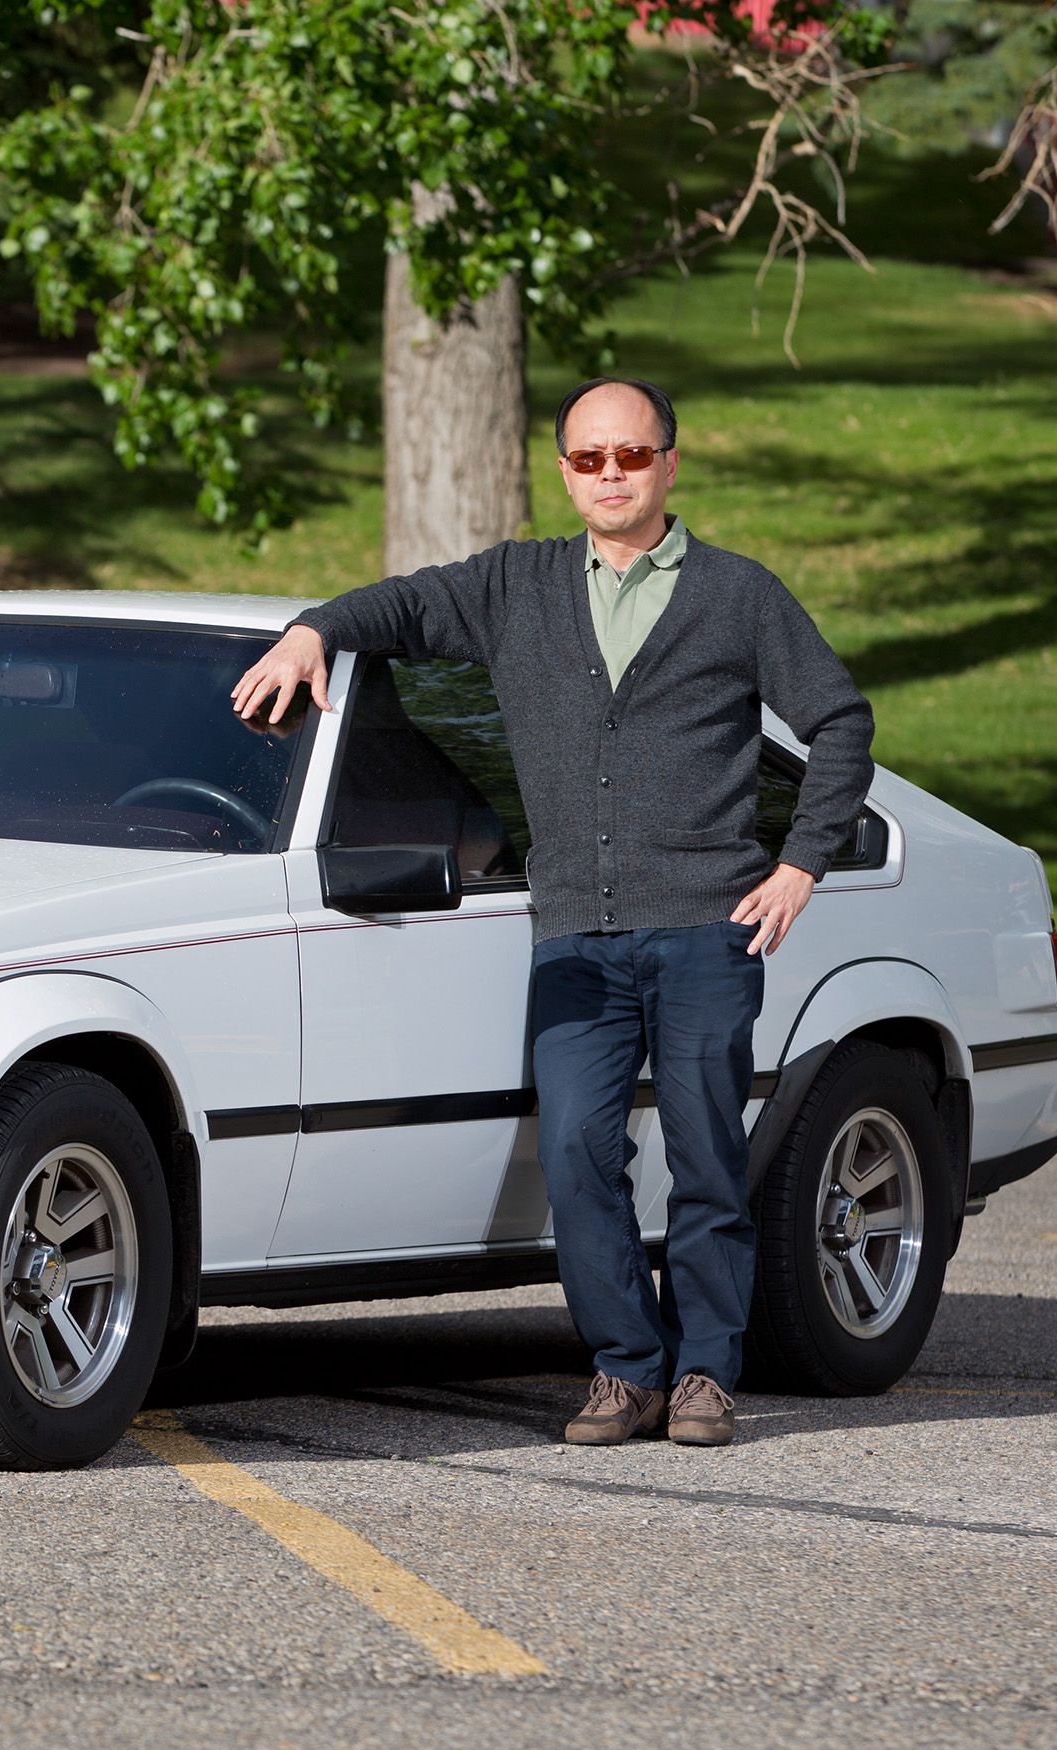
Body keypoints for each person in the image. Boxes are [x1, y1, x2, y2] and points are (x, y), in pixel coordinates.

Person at [230, 377, 873, 1447]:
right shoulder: (513, 587)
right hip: (574, 935)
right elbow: (396, 607)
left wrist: (798, 865)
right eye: (587, 460)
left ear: (669, 463)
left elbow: (838, 724)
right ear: (563, 471)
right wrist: (310, 632)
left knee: (709, 1156)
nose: (609, 475)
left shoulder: (737, 595)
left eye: (629, 456)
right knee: (575, 1154)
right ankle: (625, 1371)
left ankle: (706, 1372)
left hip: (706, 932)